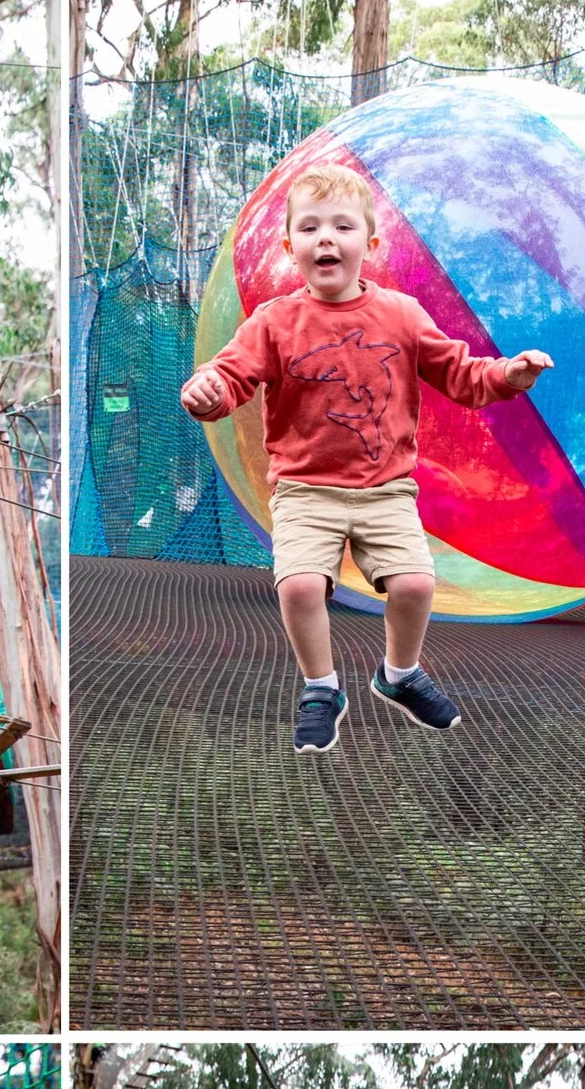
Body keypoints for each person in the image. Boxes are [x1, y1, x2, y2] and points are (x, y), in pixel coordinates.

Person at [177, 164, 553, 755]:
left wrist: (508, 375)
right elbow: (229, 376)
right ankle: (321, 689)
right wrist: (207, 395)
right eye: (310, 228)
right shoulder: (274, 322)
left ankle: (399, 674)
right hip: (305, 489)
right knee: (300, 587)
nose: (326, 238)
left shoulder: (401, 316)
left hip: (386, 490)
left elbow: (461, 374)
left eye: (342, 226)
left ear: (369, 244)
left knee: (415, 584)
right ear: (290, 246)